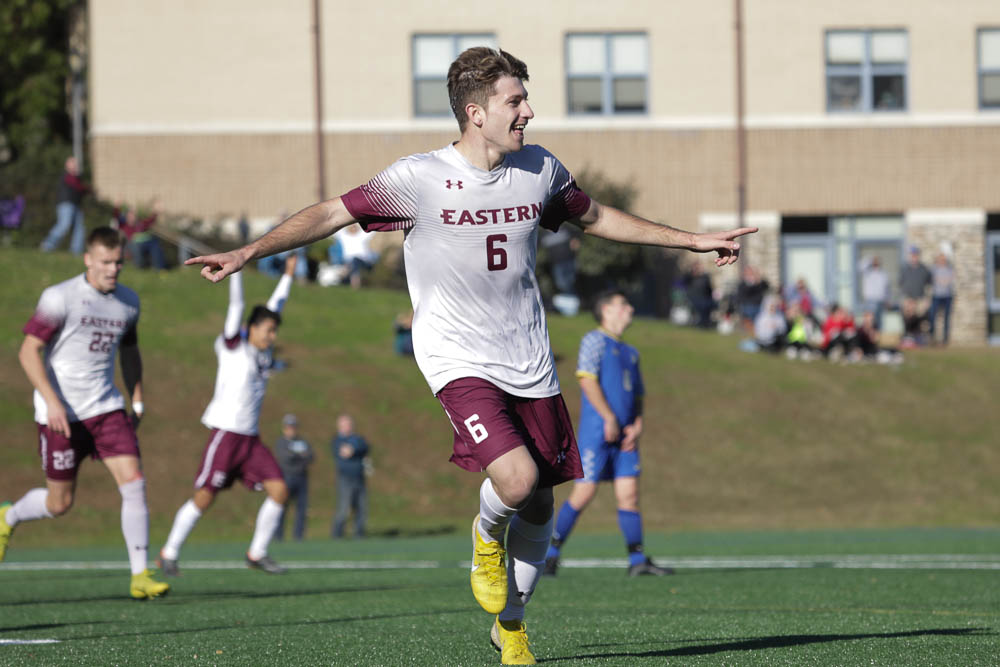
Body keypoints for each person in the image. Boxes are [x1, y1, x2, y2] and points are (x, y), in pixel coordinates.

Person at [184, 47, 753, 665]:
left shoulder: (539, 170)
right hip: (457, 360)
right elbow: (329, 213)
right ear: (476, 112)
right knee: (516, 480)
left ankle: (511, 626)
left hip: (529, 359)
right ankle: (485, 538)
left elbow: (598, 217)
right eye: (516, 101)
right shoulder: (417, 180)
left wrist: (691, 239)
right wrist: (249, 252)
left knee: (540, 503)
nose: (529, 112)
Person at [1, 227, 168, 599]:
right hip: (59, 413)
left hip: (106, 408)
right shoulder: (59, 297)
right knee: (59, 503)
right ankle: (7, 517)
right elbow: (28, 352)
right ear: (88, 259)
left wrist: (136, 398)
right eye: (106, 262)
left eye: (119, 262)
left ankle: (140, 575)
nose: (113, 269)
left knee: (134, 481)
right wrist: (52, 401)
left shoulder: (128, 302)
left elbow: (129, 352)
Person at [157, 255, 298, 576]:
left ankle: (256, 553)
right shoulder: (234, 346)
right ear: (251, 329)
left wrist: (288, 275)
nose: (272, 336)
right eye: (268, 330)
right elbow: (236, 308)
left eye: (275, 331)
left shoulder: (263, 353)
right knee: (205, 498)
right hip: (225, 435)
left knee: (279, 491)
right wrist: (235, 271)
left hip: (250, 440)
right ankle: (169, 552)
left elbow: (277, 305)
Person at [543, 291, 672, 578]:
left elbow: (637, 395)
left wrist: (637, 424)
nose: (630, 309)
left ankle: (637, 561)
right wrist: (609, 418)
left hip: (625, 436)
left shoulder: (631, 352)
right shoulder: (594, 340)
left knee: (629, 495)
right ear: (606, 310)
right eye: (623, 304)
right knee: (584, 493)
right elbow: (587, 380)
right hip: (597, 431)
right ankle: (550, 555)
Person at [274, 413, 314, 542]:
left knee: (301, 509)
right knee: (282, 508)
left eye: (293, 426)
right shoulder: (281, 442)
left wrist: (298, 455)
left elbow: (311, 456)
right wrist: (300, 455)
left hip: (302, 478)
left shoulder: (302, 441)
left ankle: (298, 536)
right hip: (286, 477)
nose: (291, 429)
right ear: (284, 428)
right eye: (288, 427)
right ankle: (278, 536)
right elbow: (286, 458)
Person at [330, 414, 371, 539]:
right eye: (344, 424)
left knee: (361, 507)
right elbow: (343, 452)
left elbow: (364, 446)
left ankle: (359, 533)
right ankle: (337, 534)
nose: (347, 427)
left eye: (349, 424)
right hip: (345, 478)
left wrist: (353, 449)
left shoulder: (357, 439)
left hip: (359, 477)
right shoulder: (337, 440)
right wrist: (352, 449)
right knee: (344, 508)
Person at [40, 156, 91, 255]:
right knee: (64, 225)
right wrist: (87, 189)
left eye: (76, 164)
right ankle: (48, 244)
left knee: (79, 228)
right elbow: (78, 187)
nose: (75, 166)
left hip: (76, 205)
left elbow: (81, 188)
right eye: (73, 164)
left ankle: (76, 251)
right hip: (66, 204)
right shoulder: (67, 176)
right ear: (67, 165)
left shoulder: (77, 178)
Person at [115, 200, 166, 270]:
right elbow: (116, 216)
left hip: (143, 244)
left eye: (133, 216)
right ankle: (139, 268)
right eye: (130, 216)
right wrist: (117, 206)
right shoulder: (123, 225)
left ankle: (159, 268)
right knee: (135, 245)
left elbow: (150, 221)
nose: (132, 217)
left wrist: (156, 211)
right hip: (130, 245)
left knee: (154, 243)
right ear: (127, 217)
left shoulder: (139, 224)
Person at [336, 224, 379, 288]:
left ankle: (354, 284)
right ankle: (352, 282)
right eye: (352, 226)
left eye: (355, 226)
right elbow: (337, 226)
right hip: (347, 261)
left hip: (362, 260)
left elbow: (374, 228)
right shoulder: (344, 235)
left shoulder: (362, 235)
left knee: (355, 261)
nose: (353, 228)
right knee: (352, 263)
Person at [927, 252, 954, 345]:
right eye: (940, 259)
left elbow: (949, 280)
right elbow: (934, 279)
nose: (942, 261)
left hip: (947, 296)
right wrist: (942, 280)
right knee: (932, 316)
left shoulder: (949, 269)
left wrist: (942, 280)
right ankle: (932, 337)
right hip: (936, 296)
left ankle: (945, 339)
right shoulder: (934, 269)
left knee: (946, 318)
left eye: (944, 259)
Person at [859, 256, 890, 329]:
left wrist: (887, 299)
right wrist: (870, 260)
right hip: (870, 299)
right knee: (869, 321)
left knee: (879, 321)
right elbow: (861, 266)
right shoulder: (868, 271)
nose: (876, 263)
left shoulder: (883, 274)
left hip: (880, 300)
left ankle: (878, 337)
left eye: (877, 261)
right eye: (875, 262)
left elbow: (887, 288)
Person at [899, 246, 931, 310]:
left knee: (921, 316)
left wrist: (927, 299)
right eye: (912, 255)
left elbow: (928, 284)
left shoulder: (923, 269)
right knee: (908, 317)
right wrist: (905, 297)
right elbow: (900, 283)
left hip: (920, 299)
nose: (914, 257)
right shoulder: (905, 268)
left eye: (916, 255)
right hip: (908, 299)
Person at [685, 261, 716, 328]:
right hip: (694, 298)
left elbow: (709, 288)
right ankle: (698, 324)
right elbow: (685, 281)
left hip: (705, 298)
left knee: (705, 312)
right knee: (697, 312)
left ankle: (705, 325)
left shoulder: (705, 277)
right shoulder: (690, 276)